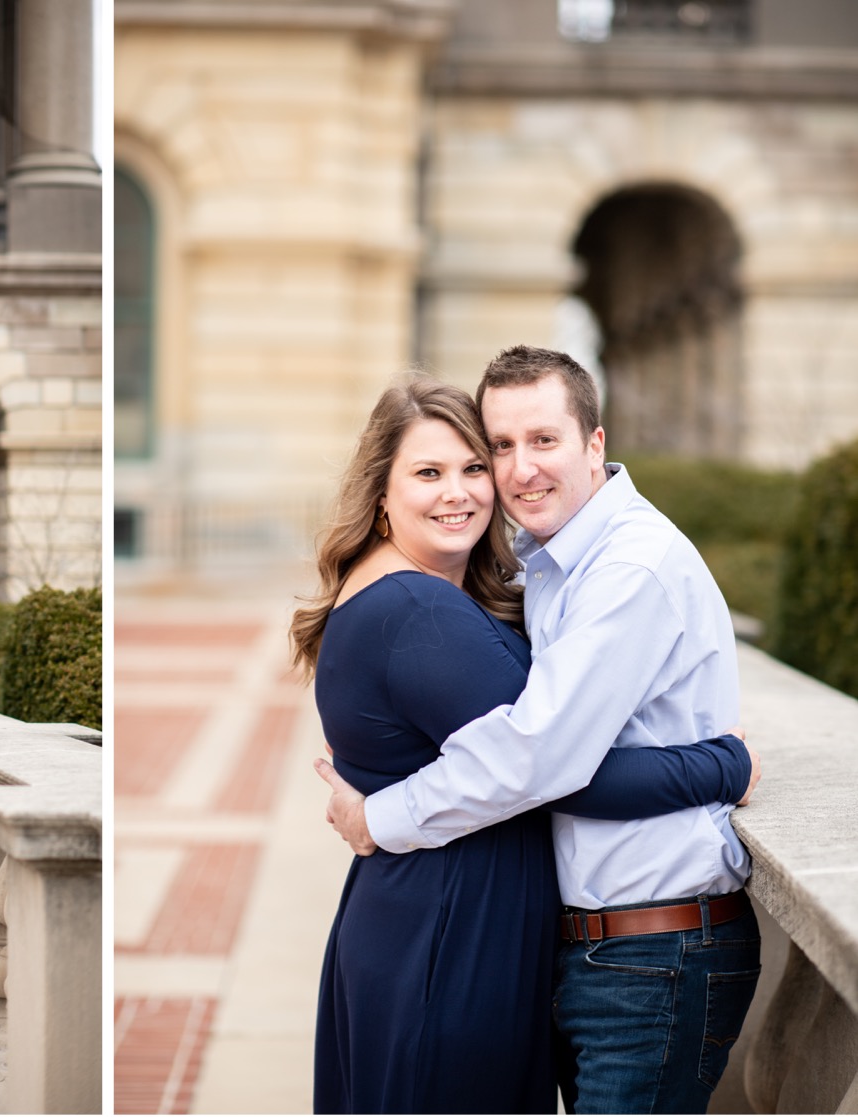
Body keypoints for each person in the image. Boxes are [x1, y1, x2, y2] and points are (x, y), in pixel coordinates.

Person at [291, 376, 755, 1113]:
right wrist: (723, 764)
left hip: (435, 922)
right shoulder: (419, 609)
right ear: (380, 491)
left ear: (594, 444)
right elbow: (551, 771)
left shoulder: (409, 594)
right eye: (429, 472)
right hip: (447, 942)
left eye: (474, 467)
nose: (463, 491)